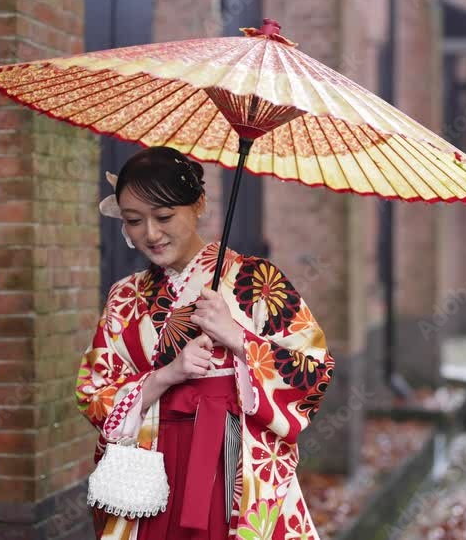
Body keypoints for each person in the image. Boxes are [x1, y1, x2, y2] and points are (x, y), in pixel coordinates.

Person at [76, 146, 334, 540]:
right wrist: (166, 376)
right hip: (152, 465)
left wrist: (238, 338)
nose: (151, 233)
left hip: (232, 459)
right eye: (133, 220)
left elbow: (313, 371)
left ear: (197, 204)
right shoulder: (125, 297)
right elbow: (94, 391)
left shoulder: (257, 282)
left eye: (164, 217)